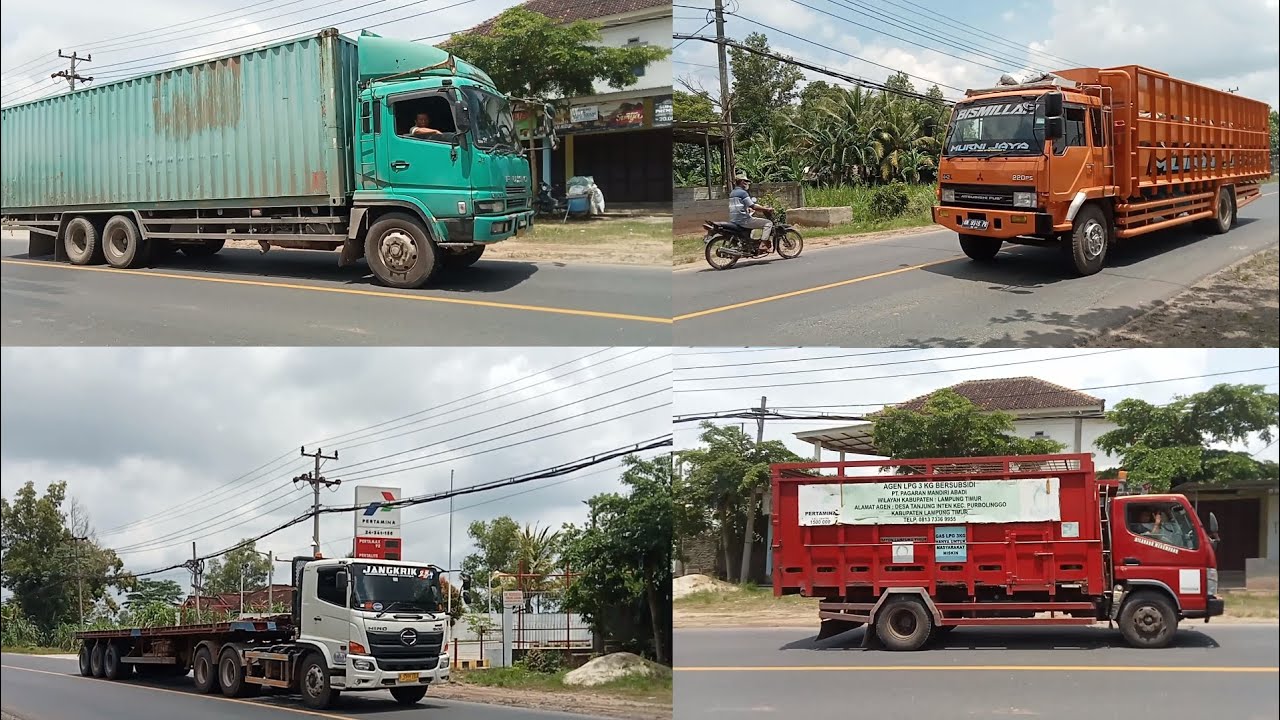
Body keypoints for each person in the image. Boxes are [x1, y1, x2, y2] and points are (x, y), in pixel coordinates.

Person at [728, 173, 774, 249]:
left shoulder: (732, 193)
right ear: (742, 182)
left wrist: (747, 209)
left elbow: (739, 206)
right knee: (768, 223)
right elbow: (753, 206)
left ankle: (749, 245)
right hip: (743, 220)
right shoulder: (743, 193)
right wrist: (766, 209)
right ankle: (763, 244)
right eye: (746, 181)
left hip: (734, 219)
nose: (747, 183)